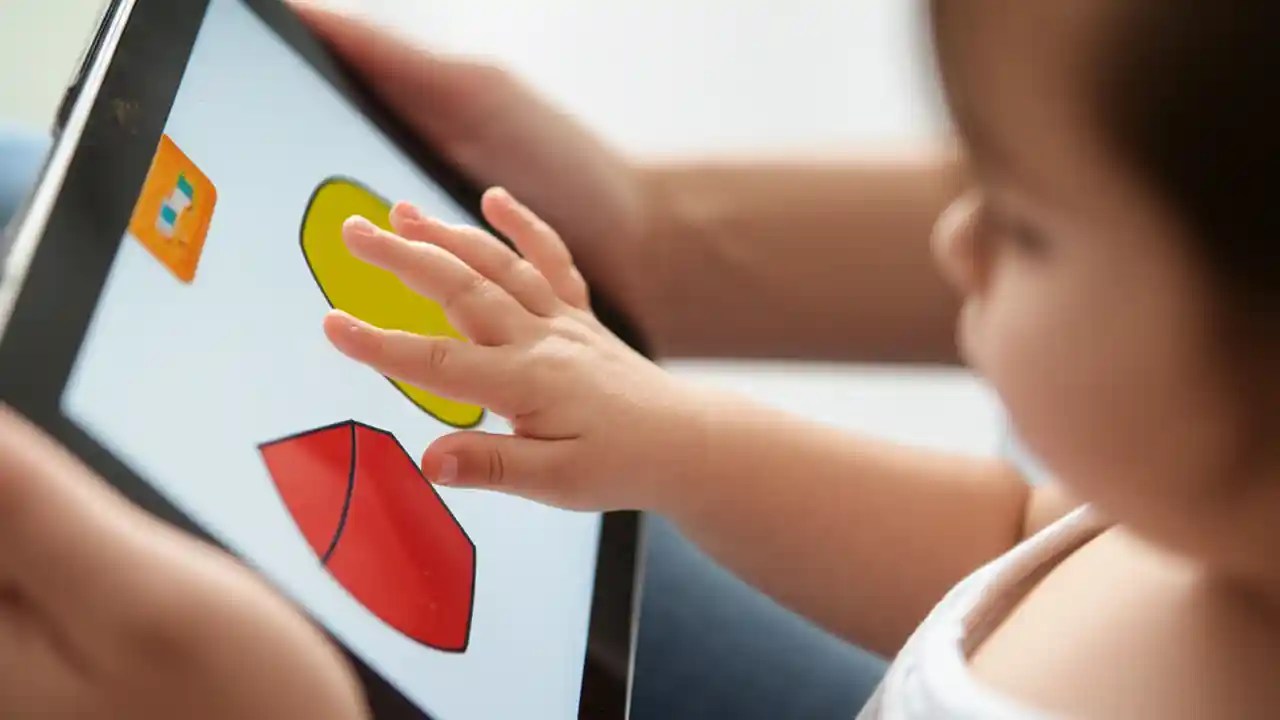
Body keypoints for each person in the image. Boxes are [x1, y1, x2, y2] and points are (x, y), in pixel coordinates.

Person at [3, 1, 1277, 718]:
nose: (953, 239)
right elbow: (1011, 535)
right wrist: (666, 433)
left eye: (1021, 221)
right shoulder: (1180, 528)